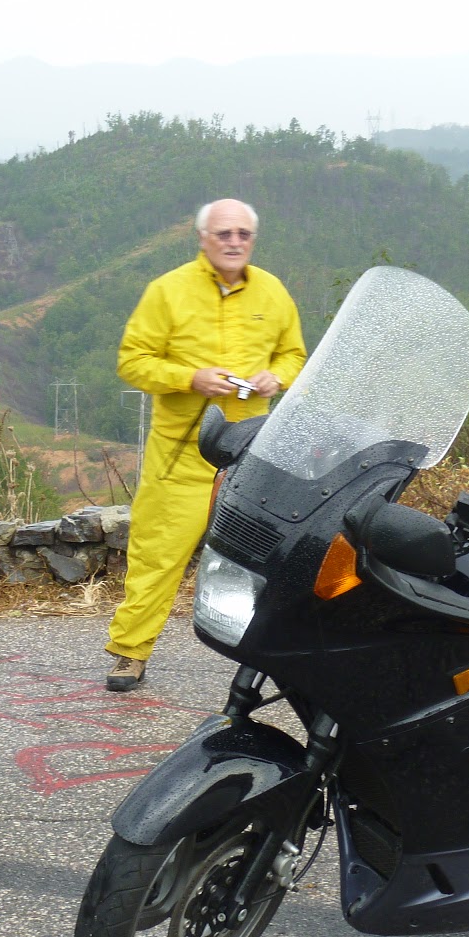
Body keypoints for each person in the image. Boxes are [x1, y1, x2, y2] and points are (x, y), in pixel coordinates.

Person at [104, 198, 307, 691]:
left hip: (253, 456)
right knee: (158, 555)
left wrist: (274, 378)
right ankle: (130, 652)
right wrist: (190, 378)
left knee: (278, 562)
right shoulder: (168, 291)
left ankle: (286, 658)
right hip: (182, 453)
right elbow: (132, 361)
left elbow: (295, 354)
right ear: (202, 239)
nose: (234, 242)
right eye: (223, 234)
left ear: (253, 240)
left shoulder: (273, 291)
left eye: (243, 234)